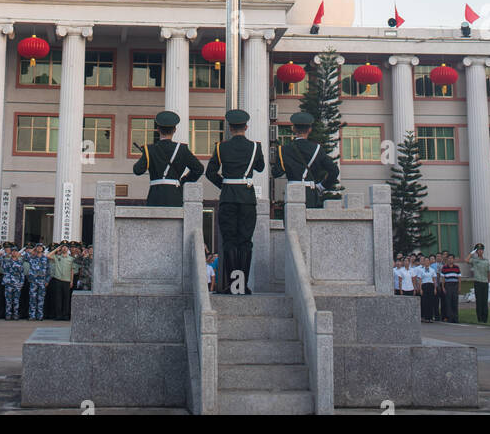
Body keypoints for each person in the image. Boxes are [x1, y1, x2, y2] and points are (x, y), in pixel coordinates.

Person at [205, 108, 265, 295]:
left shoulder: (221, 147)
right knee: (245, 242)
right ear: (246, 127)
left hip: (228, 198)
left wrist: (224, 185)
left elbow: (210, 173)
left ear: (230, 128)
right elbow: (261, 167)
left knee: (229, 241)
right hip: (247, 199)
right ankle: (242, 285)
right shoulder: (255, 147)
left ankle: (232, 285)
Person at [132, 110, 204, 205]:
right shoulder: (182, 149)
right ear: (174, 130)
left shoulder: (150, 149)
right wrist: (182, 181)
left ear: (158, 129)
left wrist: (146, 157)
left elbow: (137, 170)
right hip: (175, 195)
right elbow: (199, 168)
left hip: (155, 196)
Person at [270, 111, 339, 208]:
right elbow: (334, 171)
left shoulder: (283, 150)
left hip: (292, 192)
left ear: (293, 129)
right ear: (310, 129)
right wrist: (321, 187)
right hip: (310, 192)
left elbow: (276, 173)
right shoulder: (317, 149)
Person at [48, 242, 75, 319]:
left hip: (67, 281)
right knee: (58, 298)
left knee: (66, 299)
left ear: (68, 249)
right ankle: (58, 315)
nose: (64, 248)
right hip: (58, 280)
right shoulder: (57, 257)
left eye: (66, 247)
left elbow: (72, 271)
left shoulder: (71, 259)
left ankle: (65, 315)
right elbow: (48, 256)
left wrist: (72, 281)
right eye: (63, 247)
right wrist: (57, 249)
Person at [25, 244, 51, 319]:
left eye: (41, 247)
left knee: (41, 299)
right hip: (33, 281)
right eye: (38, 247)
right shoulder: (32, 258)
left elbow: (48, 271)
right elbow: (25, 256)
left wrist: (47, 281)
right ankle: (32, 315)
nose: (39, 248)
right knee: (32, 298)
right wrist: (33, 249)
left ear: (43, 249)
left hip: (42, 281)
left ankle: (40, 315)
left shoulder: (45, 258)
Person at [467, 243, 490, 325]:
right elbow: (466, 260)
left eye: (481, 250)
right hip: (477, 282)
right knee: (479, 301)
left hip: (485, 282)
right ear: (476, 251)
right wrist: (472, 252)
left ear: (483, 251)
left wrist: (489, 282)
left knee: (485, 301)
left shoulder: (486, 260)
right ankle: (479, 318)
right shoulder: (475, 260)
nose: (480, 251)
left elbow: (488, 272)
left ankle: (485, 318)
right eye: (478, 250)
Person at [441, 253, 461, 322]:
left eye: (451, 258)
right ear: (447, 259)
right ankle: (450, 318)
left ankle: (455, 318)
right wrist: (443, 287)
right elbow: (443, 278)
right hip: (448, 285)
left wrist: (459, 287)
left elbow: (459, 278)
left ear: (454, 259)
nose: (450, 259)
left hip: (455, 285)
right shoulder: (444, 268)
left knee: (455, 302)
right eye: (449, 258)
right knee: (448, 302)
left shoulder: (457, 267)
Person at [418, 256, 437, 322]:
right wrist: (420, 289)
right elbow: (420, 280)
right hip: (424, 286)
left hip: (430, 285)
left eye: (427, 261)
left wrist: (435, 288)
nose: (426, 262)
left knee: (430, 302)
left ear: (429, 262)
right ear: (424, 262)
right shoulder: (421, 270)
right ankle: (425, 317)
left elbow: (434, 280)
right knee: (424, 302)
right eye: (425, 261)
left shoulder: (432, 270)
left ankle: (430, 317)